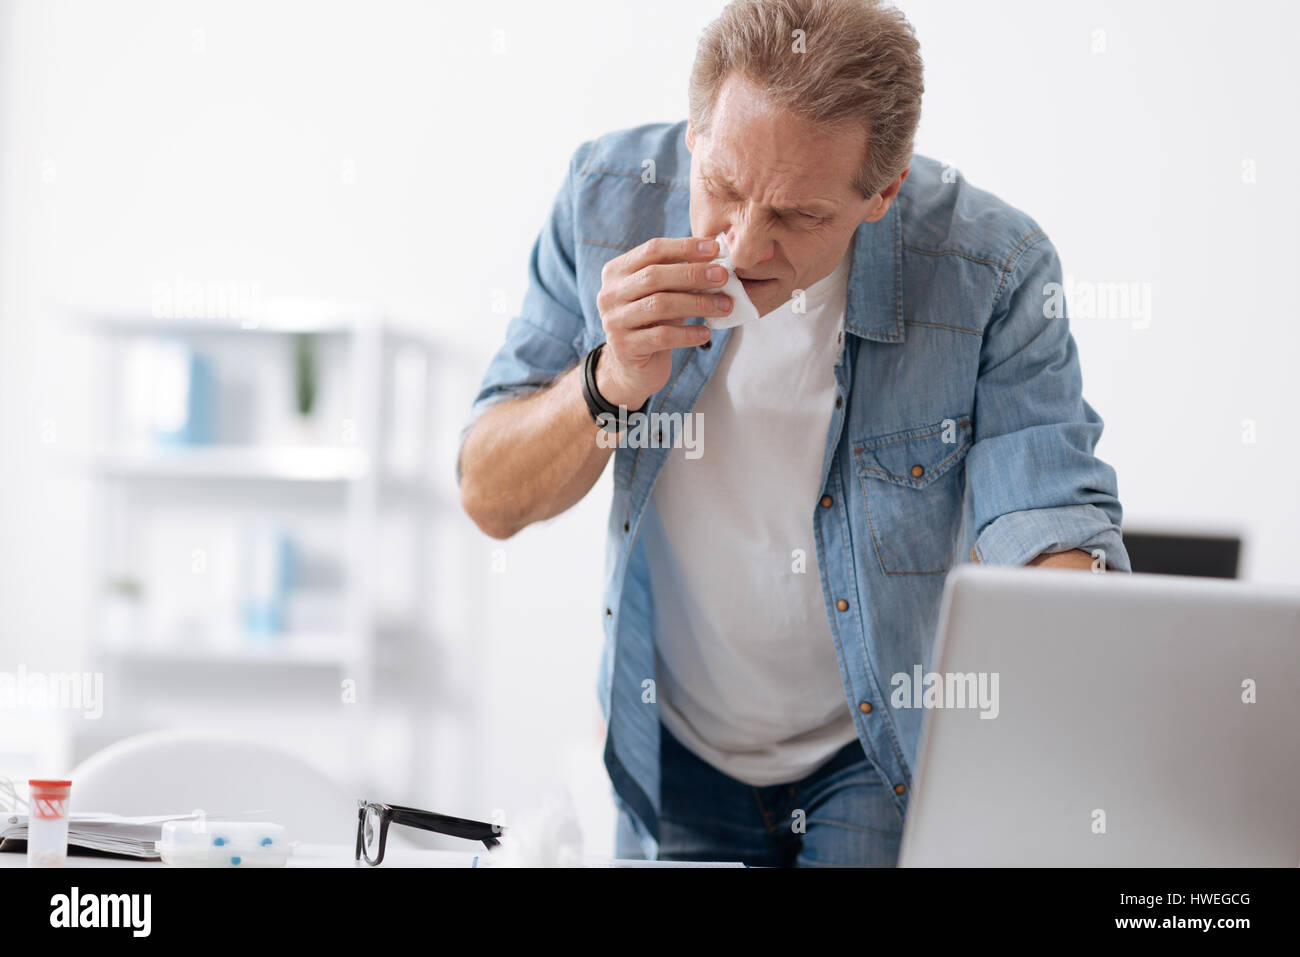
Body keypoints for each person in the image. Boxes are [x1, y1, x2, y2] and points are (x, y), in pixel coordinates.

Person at [457, 0, 1128, 866]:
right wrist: (609, 380)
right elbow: (489, 496)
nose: (742, 247)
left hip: (871, 749)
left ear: (883, 192)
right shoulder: (603, 201)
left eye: (800, 216)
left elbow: (1045, 516)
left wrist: (1084, 674)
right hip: (671, 743)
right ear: (696, 134)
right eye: (724, 189)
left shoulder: (989, 267)